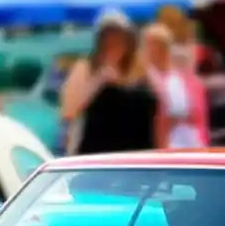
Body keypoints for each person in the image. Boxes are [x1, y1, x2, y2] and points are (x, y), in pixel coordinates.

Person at [60, 8, 160, 155]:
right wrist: (98, 81)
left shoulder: (141, 71)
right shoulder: (86, 68)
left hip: (137, 154)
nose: (113, 41)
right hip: (97, 155)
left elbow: (158, 109)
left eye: (119, 36)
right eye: (107, 36)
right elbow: (69, 111)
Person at [143, 23, 208, 149]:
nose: (154, 51)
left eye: (160, 46)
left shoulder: (186, 80)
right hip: (165, 148)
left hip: (192, 146)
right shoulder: (146, 80)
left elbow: (199, 118)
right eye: (150, 46)